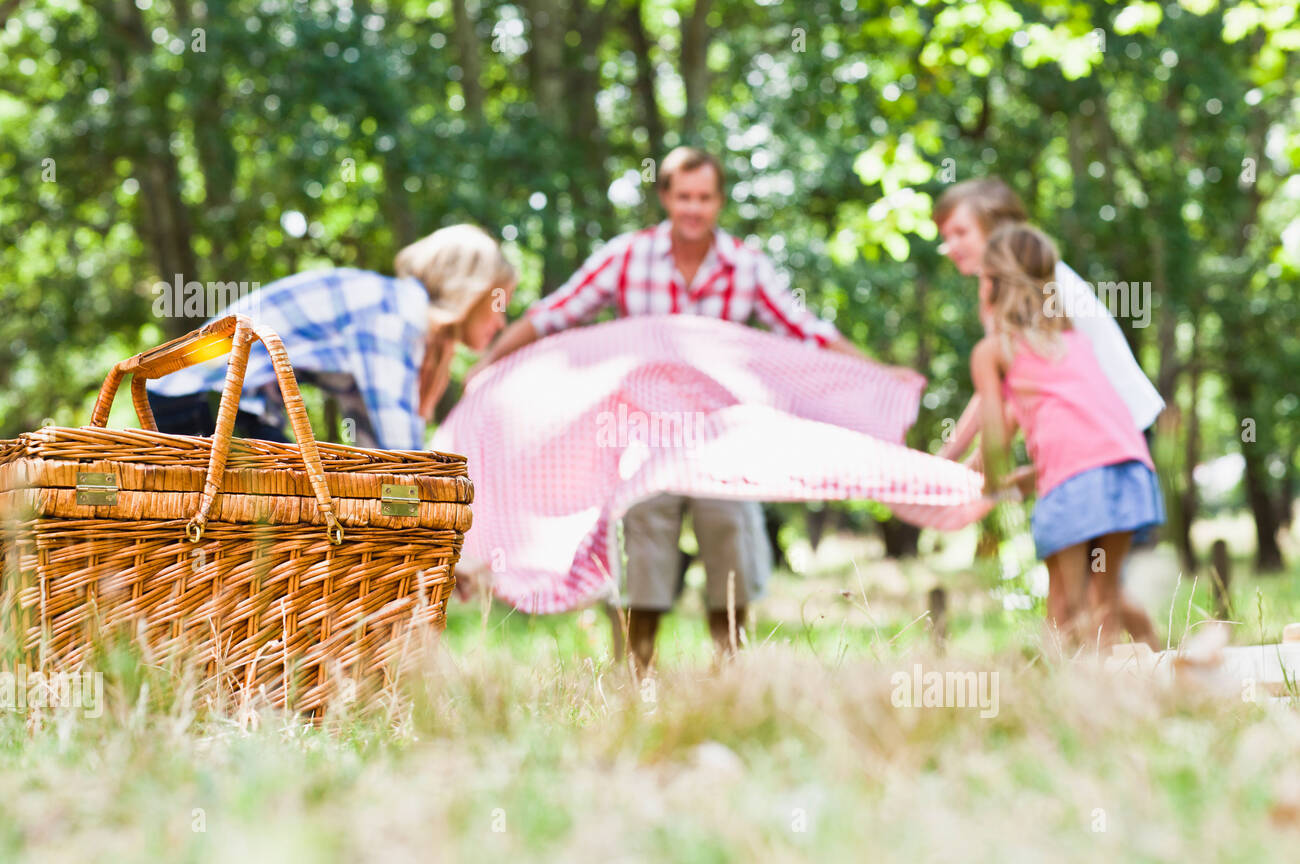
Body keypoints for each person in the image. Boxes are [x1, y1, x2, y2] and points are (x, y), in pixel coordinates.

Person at [471, 146, 900, 673]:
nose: (693, 209)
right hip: (643, 433)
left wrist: (877, 373)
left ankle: (730, 670)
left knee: (731, 542)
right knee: (641, 548)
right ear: (665, 198)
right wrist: (488, 365)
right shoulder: (627, 256)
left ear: (719, 201)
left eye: (704, 198)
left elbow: (805, 328)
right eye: (683, 197)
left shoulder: (746, 263)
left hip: (725, 433)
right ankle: (635, 674)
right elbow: (554, 314)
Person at [933, 177, 1164, 644]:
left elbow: (1010, 386)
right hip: (1119, 447)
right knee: (1102, 591)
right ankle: (1154, 663)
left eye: (959, 232)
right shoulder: (1035, 283)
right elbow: (1025, 386)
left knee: (1076, 595)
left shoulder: (1038, 289)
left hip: (1105, 436)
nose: (947, 246)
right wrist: (961, 458)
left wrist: (971, 464)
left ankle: (1090, 675)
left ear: (996, 231)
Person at [148, 224, 516, 449]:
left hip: (202, 397)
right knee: (292, 510)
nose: (501, 323)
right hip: (198, 396)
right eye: (499, 304)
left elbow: (379, 452)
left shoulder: (393, 311)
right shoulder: (395, 316)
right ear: (471, 292)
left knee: (293, 505)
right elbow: (405, 460)